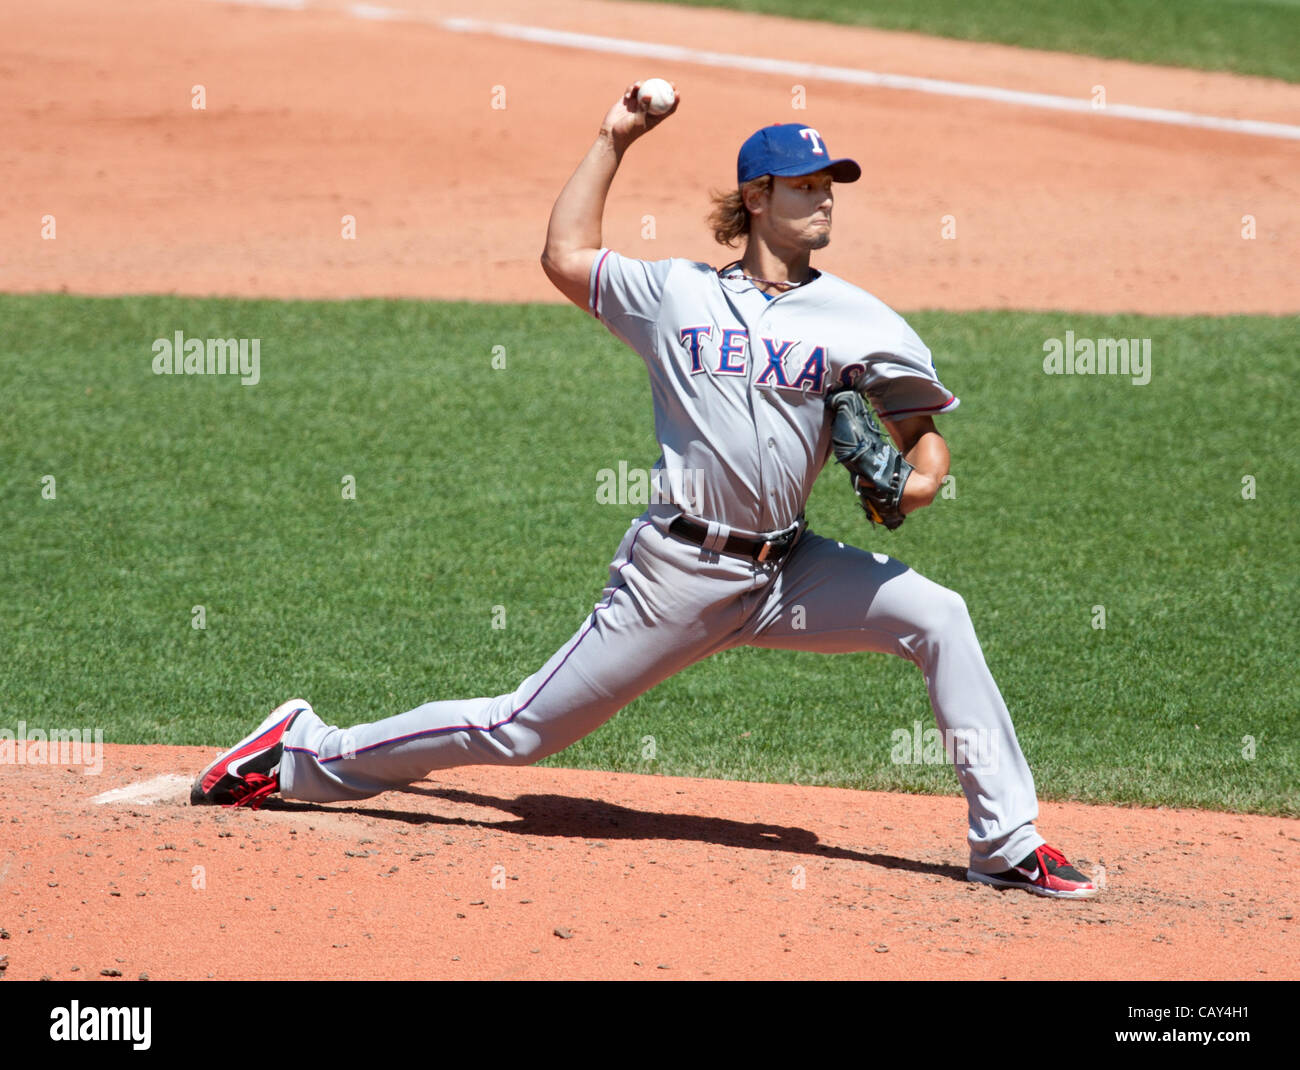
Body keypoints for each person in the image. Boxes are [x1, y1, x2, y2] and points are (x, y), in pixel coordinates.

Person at [192, 82, 1097, 900]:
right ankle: (303, 751)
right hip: (678, 572)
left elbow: (921, 436)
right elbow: (565, 252)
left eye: (831, 185)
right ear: (756, 199)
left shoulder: (864, 319)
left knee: (939, 617)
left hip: (790, 572)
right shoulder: (674, 295)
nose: (825, 199)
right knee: (521, 729)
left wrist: (918, 486)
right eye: (806, 184)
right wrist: (612, 138)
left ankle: (1006, 844)